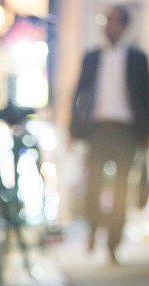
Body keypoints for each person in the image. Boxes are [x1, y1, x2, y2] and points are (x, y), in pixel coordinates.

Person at [70, 5, 149, 263]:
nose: (109, 25)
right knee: (93, 185)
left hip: (126, 132)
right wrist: (73, 129)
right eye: (106, 20)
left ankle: (113, 244)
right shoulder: (92, 57)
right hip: (97, 131)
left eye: (115, 21)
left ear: (124, 26)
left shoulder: (137, 58)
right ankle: (93, 228)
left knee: (122, 189)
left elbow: (145, 98)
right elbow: (78, 94)